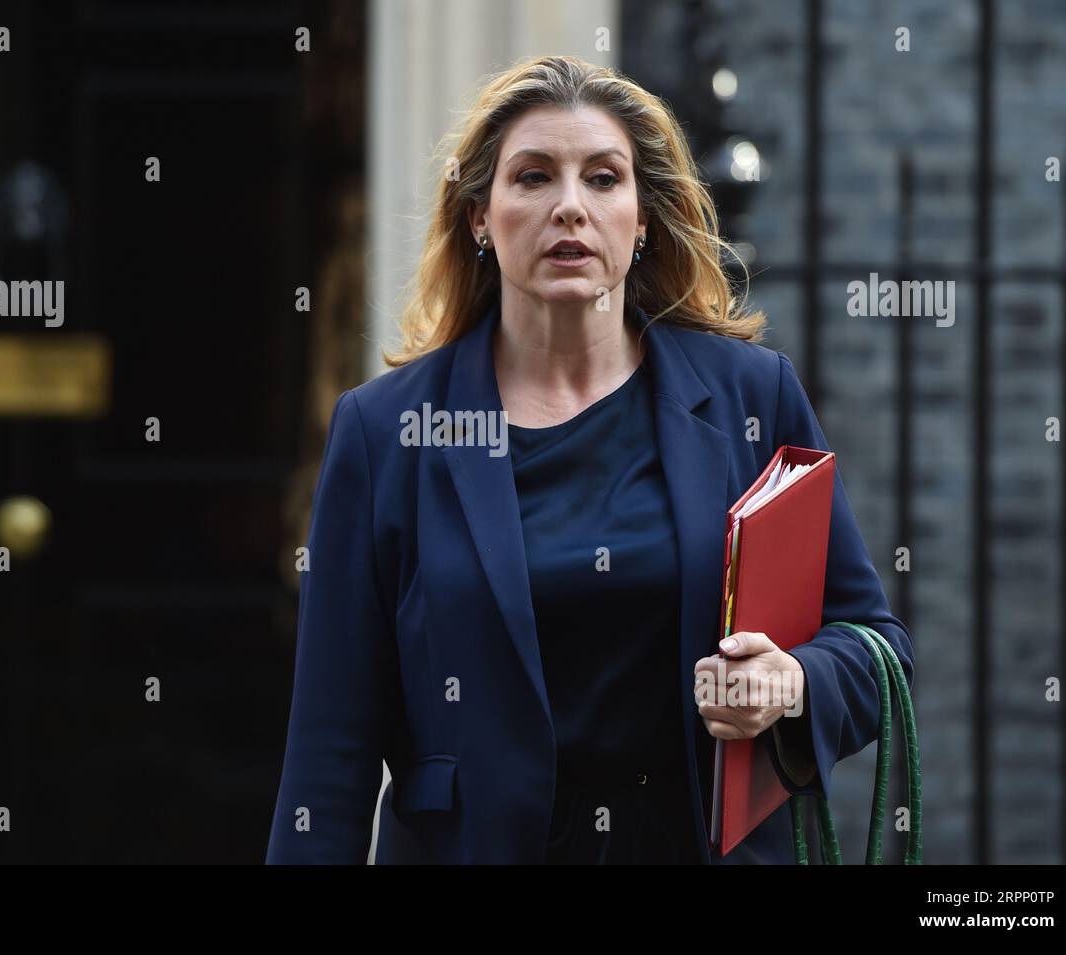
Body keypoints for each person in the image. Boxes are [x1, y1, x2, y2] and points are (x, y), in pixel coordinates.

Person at [266, 54, 912, 864]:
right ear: (479, 216)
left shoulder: (750, 395)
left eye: (603, 179)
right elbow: (329, 751)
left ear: (642, 218)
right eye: (533, 177)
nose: (570, 206)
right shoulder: (384, 430)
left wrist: (793, 682)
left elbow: (873, 640)